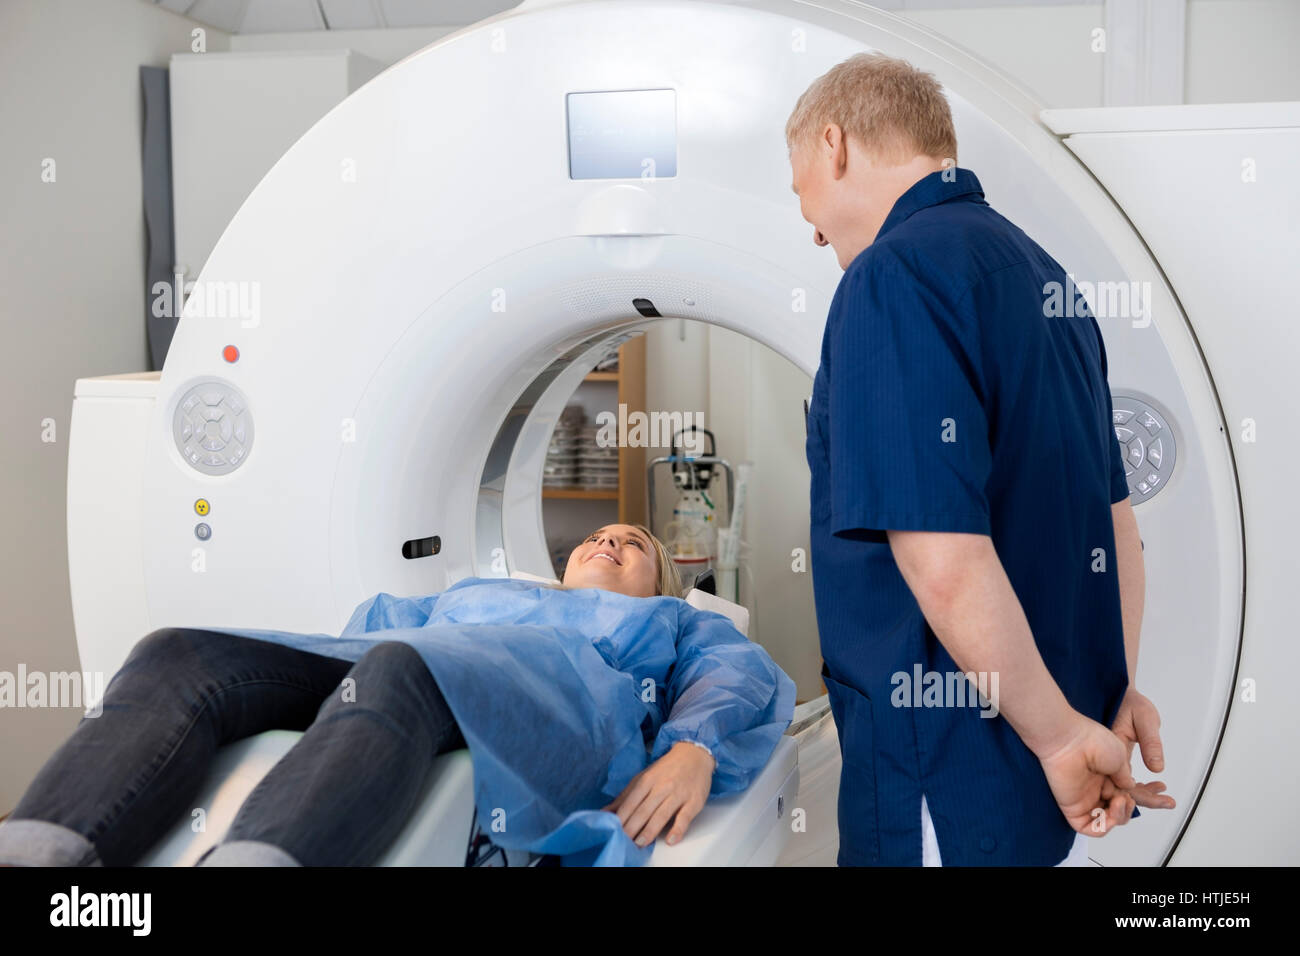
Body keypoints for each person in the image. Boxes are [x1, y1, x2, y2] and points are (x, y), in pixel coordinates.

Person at [787, 52, 1175, 866]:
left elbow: (946, 562)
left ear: (835, 146)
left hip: (943, 774)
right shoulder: (1045, 278)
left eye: (802, 192)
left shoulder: (890, 281)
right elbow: (1118, 536)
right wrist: (1094, 710)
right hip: (1033, 769)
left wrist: (1067, 740)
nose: (813, 227)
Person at [0, 524, 795, 867]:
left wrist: (695, 746)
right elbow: (363, 642)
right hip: (410, 657)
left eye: (634, 545)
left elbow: (740, 676)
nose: (609, 542)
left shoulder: (665, 627)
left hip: (557, 696)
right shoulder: (472, 592)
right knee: (176, 652)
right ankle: (39, 855)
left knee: (397, 667)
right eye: (599, 536)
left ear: (661, 582)